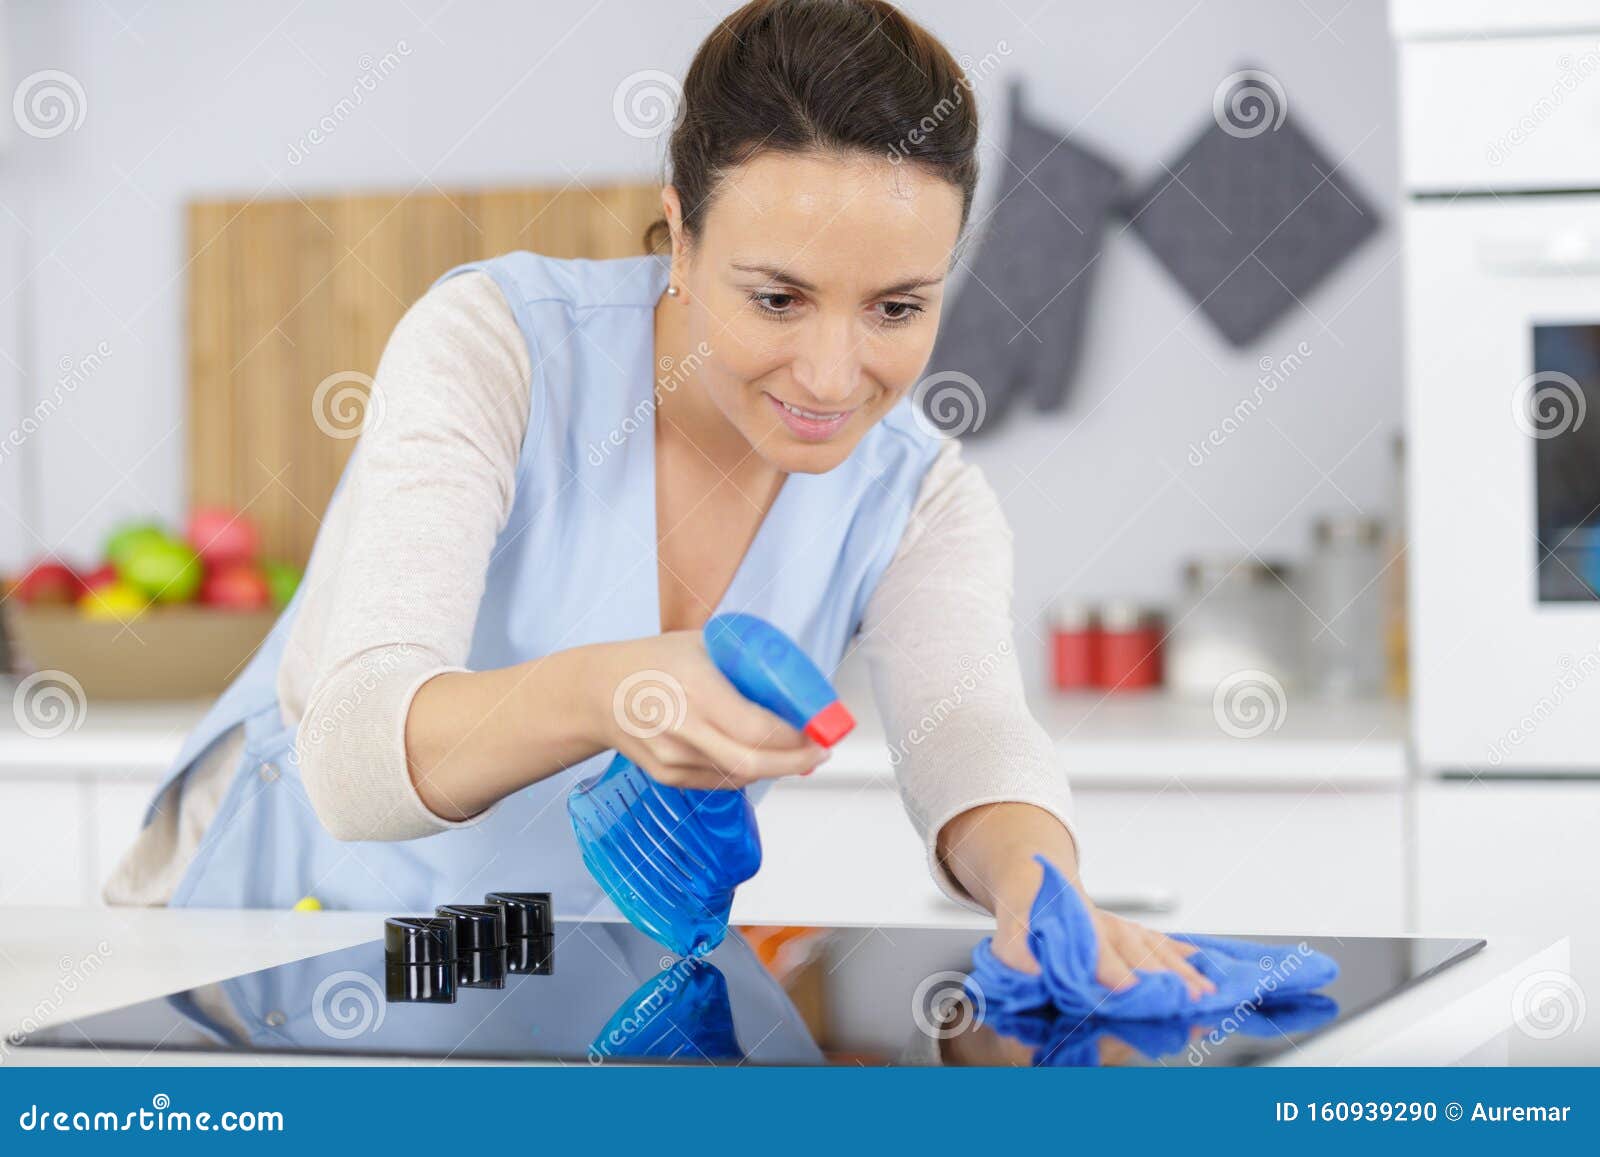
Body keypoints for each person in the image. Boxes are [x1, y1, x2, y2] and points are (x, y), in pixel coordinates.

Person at [106, 0, 1214, 1002]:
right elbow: (351, 763)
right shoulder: (498, 349)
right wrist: (618, 687)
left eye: (896, 307)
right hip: (267, 946)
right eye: (777, 296)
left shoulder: (920, 492)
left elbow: (966, 725)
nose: (834, 376)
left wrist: (1038, 884)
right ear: (680, 235)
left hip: (547, 975)